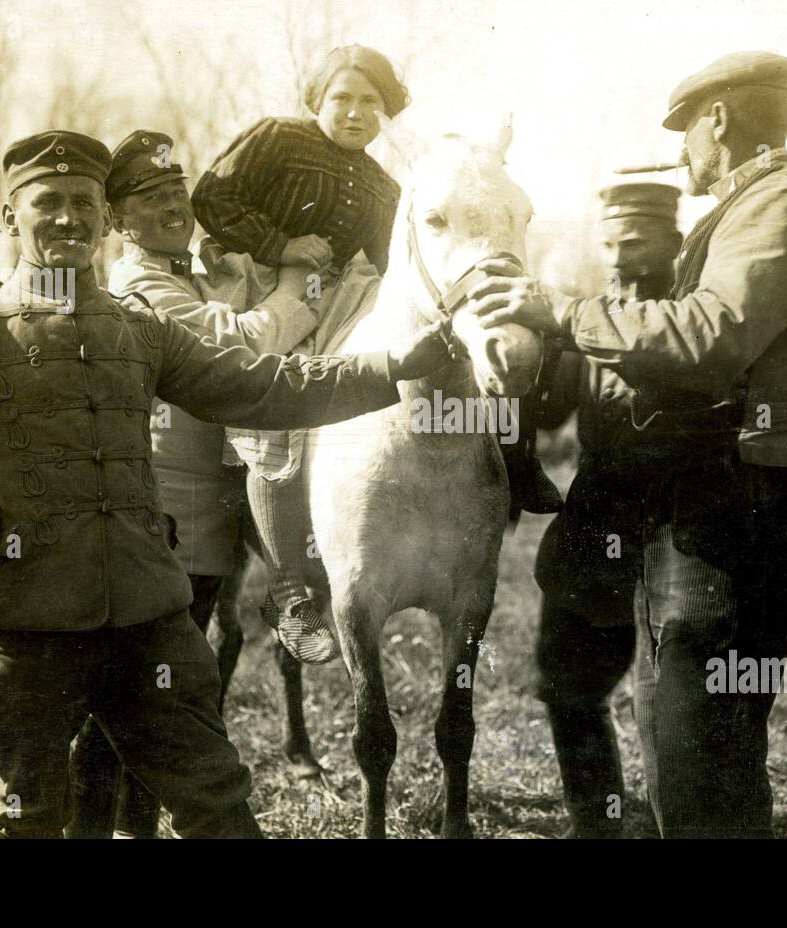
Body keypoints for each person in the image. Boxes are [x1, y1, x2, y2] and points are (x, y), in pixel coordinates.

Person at [0, 129, 451, 838]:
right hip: (28, 629)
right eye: (47, 202)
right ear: (10, 216)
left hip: (151, 623)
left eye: (83, 202)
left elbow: (261, 384)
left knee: (220, 809)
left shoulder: (140, 329)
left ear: (104, 217)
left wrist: (389, 366)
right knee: (29, 821)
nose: (67, 217)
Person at [467, 51, 787, 837]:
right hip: (728, 484)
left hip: (741, 490)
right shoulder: (750, 206)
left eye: (688, 129)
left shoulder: (777, 203)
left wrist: (564, 313)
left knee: (694, 723)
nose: (684, 149)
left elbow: (714, 334)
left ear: (719, 118)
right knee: (704, 718)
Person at [193, 45, 561, 664]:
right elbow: (213, 198)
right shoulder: (278, 138)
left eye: (371, 102)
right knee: (284, 398)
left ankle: (515, 461)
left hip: (347, 291)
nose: (356, 112)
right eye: (343, 98)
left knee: (448, 351)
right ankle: (288, 586)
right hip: (269, 282)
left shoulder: (385, 183)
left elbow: (404, 257)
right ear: (318, 100)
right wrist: (281, 242)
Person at [65, 129, 322, 839]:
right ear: (118, 223)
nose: (173, 206)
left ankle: (131, 827)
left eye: (178, 192)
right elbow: (237, 344)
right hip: (160, 514)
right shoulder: (137, 284)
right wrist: (299, 281)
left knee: (163, 688)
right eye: (150, 199)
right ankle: (104, 829)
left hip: (203, 517)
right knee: (128, 692)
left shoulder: (197, 272)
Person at [532, 183, 684, 837]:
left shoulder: (695, 318)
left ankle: (668, 821)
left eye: (636, 242)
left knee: (672, 701)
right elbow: (547, 413)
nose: (620, 257)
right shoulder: (587, 318)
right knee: (566, 681)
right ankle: (595, 822)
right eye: (609, 244)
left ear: (673, 243)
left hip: (678, 524)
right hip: (597, 517)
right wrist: (524, 353)